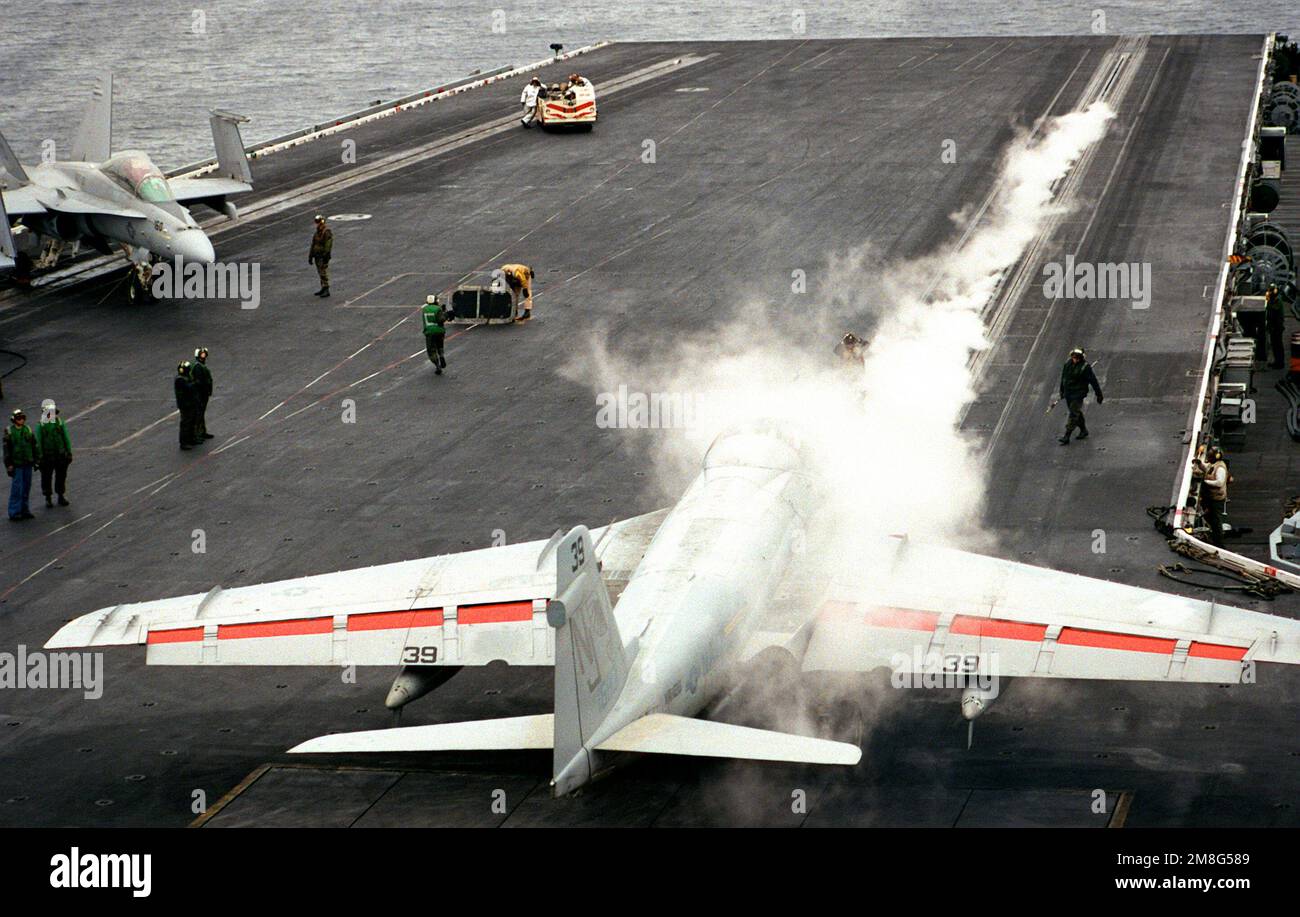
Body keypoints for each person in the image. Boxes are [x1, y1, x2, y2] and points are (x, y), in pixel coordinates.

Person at [1057, 347, 1103, 445]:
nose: (1075, 359)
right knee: (1075, 412)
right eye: (1074, 357)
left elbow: (1093, 381)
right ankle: (1083, 430)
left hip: (1078, 394)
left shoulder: (1085, 367)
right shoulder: (1068, 364)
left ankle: (1067, 435)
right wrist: (1061, 390)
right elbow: (1063, 378)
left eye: (1077, 358)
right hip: (1068, 393)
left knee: (1073, 414)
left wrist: (1099, 394)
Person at [4, 408, 40, 521]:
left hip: (27, 463)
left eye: (22, 418)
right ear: (14, 420)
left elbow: (34, 446)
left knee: (26, 487)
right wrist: (9, 465)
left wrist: (36, 460)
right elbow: (7, 451)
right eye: (19, 418)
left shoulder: (28, 430)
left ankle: (25, 510)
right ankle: (14, 512)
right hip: (17, 464)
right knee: (17, 489)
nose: (21, 420)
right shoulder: (9, 432)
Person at [36, 400, 72, 507]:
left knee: (61, 475)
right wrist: (40, 457)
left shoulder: (59, 423)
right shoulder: (41, 425)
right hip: (47, 456)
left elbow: (66, 438)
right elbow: (39, 442)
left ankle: (60, 495)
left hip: (60, 454)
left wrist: (68, 451)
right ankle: (48, 497)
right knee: (46, 476)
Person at [1192, 444, 1230, 547]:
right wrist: (1200, 464)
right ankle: (1214, 537)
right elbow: (1207, 470)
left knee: (1216, 521)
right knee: (1210, 518)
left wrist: (1206, 482)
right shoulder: (1213, 464)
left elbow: (1219, 482)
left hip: (1217, 499)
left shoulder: (1220, 468)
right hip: (1210, 497)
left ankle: (1219, 544)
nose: (1208, 458)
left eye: (1209, 456)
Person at [422, 294, 453, 374]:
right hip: (439, 331)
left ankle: (437, 365)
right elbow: (441, 319)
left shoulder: (424, 309)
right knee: (440, 345)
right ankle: (441, 355)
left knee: (431, 350)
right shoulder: (438, 309)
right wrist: (446, 314)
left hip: (429, 332)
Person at [175, 361, 199, 450]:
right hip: (185, 405)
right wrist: (195, 382)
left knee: (192, 421)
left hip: (190, 403)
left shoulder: (185, 378)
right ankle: (184, 442)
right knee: (186, 423)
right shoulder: (180, 379)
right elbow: (188, 387)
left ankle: (191, 438)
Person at [191, 347, 215, 439]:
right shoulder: (198, 367)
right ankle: (197, 434)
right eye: (202, 355)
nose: (204, 357)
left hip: (202, 393)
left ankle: (202, 431)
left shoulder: (200, 366)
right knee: (198, 414)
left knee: (201, 413)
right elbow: (199, 382)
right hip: (199, 394)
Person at [308, 215, 333, 297]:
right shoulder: (317, 232)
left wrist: (326, 255)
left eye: (318, 222)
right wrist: (310, 256)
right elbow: (313, 244)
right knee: (320, 272)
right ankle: (323, 287)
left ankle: (326, 288)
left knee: (323, 272)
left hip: (322, 255)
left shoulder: (326, 232)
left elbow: (328, 244)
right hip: (317, 255)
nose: (317, 224)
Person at [1265, 282, 1285, 369]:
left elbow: (1273, 309)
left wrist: (1268, 301)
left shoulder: (1277, 300)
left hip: (1277, 327)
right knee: (1274, 345)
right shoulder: (1273, 299)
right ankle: (1277, 361)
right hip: (1273, 326)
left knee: (1278, 345)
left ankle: (1280, 363)